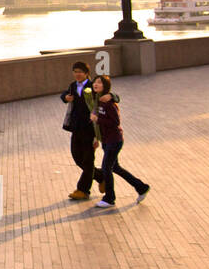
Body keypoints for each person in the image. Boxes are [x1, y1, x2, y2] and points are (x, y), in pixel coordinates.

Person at [89, 74, 150, 208]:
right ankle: (141, 187)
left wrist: (97, 119)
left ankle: (109, 198)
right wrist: (96, 137)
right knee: (115, 167)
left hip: (114, 141)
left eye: (99, 82)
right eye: (95, 82)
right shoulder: (98, 99)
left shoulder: (109, 102)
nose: (96, 84)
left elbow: (115, 122)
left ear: (105, 86)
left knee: (106, 168)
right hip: (106, 140)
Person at [60, 61, 110, 200]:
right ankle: (101, 177)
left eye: (80, 71)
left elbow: (109, 94)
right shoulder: (73, 86)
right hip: (76, 128)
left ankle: (83, 190)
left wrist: (111, 97)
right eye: (75, 71)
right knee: (77, 157)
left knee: (88, 160)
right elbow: (64, 94)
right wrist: (65, 97)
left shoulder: (92, 86)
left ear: (87, 73)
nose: (77, 74)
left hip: (90, 129)